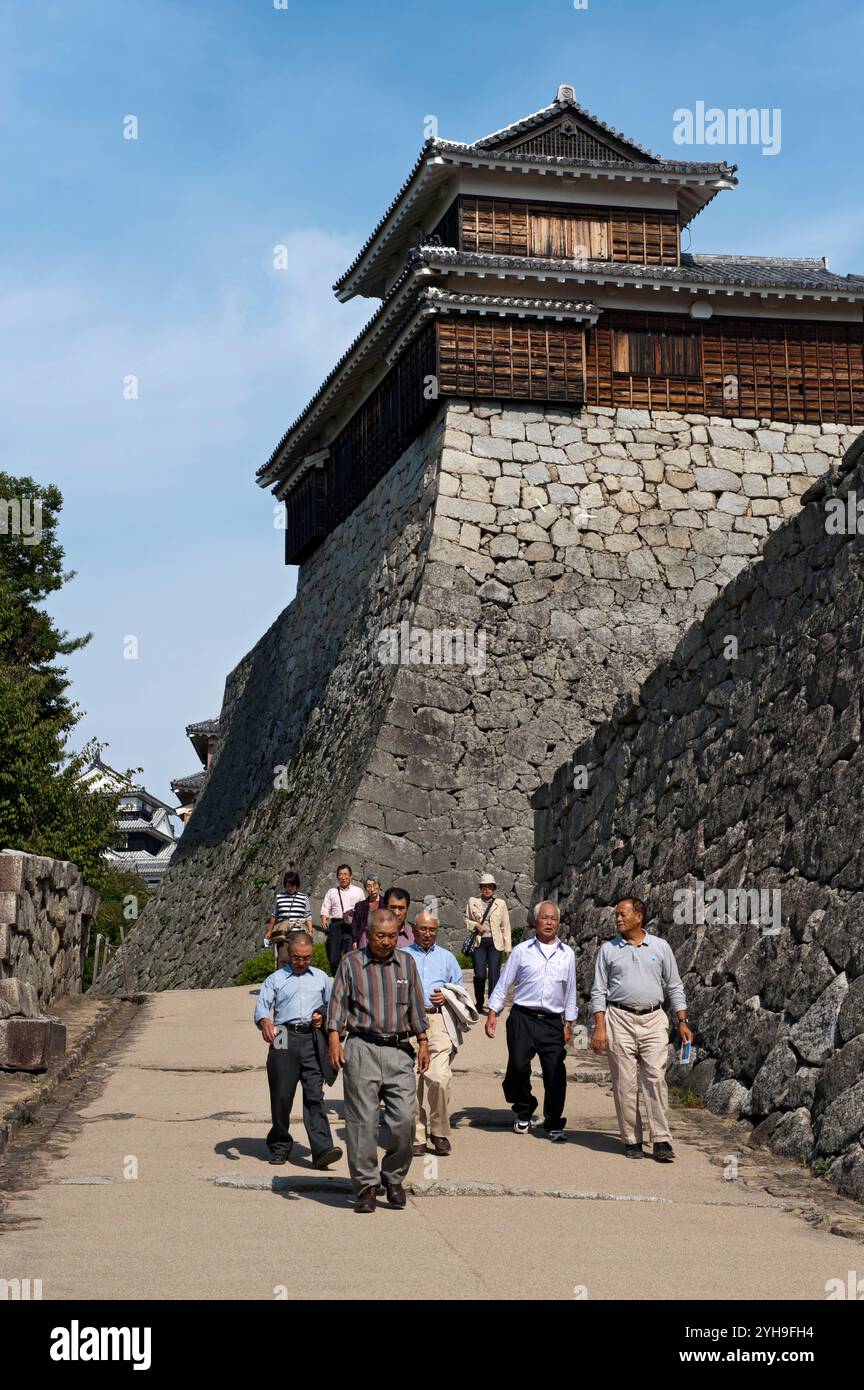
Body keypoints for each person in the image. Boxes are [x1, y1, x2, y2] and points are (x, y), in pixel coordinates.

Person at [327, 909, 429, 1213]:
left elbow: (416, 1007)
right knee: (362, 1122)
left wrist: (423, 1042)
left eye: (392, 936)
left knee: (404, 1119)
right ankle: (366, 1187)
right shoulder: (351, 963)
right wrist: (335, 1039)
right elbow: (337, 1005)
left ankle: (393, 1178)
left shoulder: (407, 963)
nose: (386, 942)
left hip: (398, 1050)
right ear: (368, 935)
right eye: (380, 936)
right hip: (361, 1048)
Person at [591, 897, 692, 1163]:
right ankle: (631, 1140)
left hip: (654, 1018)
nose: (618, 919)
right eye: (616, 915)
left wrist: (682, 1020)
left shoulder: (660, 947)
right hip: (619, 1018)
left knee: (655, 1078)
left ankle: (661, 1139)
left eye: (623, 914)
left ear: (639, 916)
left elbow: (674, 985)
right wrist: (600, 1027)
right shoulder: (608, 950)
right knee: (624, 1082)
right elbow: (599, 991)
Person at [485, 901, 577, 1141]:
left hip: (551, 1022)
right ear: (535, 922)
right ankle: (524, 1108)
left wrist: (569, 1023)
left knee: (555, 1072)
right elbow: (504, 983)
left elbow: (571, 991)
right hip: (522, 1018)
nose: (549, 922)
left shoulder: (567, 954)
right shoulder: (522, 950)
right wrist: (493, 1013)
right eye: (544, 918)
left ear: (558, 923)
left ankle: (554, 1121)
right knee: (516, 1068)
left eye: (553, 919)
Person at [253, 931, 342, 1169]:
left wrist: (321, 1015)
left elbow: (332, 1005)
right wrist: (265, 1023)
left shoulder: (321, 977)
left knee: (314, 1094)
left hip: (312, 1037)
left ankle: (322, 1149)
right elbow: (262, 1007)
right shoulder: (276, 979)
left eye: (307, 958)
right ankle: (280, 1145)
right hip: (282, 1033)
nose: (302, 962)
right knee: (282, 1094)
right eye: (297, 958)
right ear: (288, 954)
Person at [405, 910, 464, 1157]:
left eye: (432, 930)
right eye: (423, 929)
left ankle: (438, 1131)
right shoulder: (403, 956)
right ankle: (417, 1136)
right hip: (408, 1021)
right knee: (411, 1081)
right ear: (414, 929)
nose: (427, 934)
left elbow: (461, 990)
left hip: (438, 1020)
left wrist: (447, 995)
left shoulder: (448, 958)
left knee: (438, 1077)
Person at [464, 872, 512, 1013]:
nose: (487, 889)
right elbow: (466, 919)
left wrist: (508, 949)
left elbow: (505, 926)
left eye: (490, 886)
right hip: (479, 942)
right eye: (484, 886)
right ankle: (479, 1001)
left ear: (494, 888)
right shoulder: (473, 902)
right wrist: (475, 925)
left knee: (494, 975)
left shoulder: (500, 904)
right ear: (481, 888)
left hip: (495, 943)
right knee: (479, 974)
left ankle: (493, 1005)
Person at [321, 864, 365, 974]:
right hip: (336, 925)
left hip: (352, 926)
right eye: (340, 875)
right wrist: (323, 919)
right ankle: (337, 978)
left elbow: (363, 909)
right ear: (337, 877)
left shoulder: (358, 891)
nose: (343, 877)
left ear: (351, 877)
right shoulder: (331, 892)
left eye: (346, 874)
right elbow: (325, 908)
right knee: (333, 957)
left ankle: (349, 979)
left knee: (350, 955)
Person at [264, 870, 313, 966]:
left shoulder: (303, 897)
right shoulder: (279, 897)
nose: (290, 888)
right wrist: (269, 931)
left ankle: (300, 978)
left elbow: (307, 915)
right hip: (283, 933)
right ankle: (282, 979)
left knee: (299, 957)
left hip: (299, 932)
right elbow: (274, 915)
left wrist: (310, 930)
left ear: (297, 885)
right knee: (284, 958)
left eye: (292, 885)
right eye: (287, 885)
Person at [350, 876, 382, 950]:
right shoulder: (360, 905)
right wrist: (354, 941)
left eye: (375, 885)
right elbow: (355, 924)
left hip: (382, 937)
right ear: (365, 888)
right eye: (369, 886)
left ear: (379, 886)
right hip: (364, 938)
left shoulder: (386, 903)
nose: (372, 889)